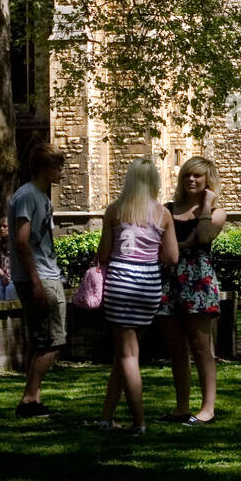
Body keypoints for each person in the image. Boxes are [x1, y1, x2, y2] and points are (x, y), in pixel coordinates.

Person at [93, 158, 179, 433]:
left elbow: (104, 254)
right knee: (124, 352)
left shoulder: (115, 210)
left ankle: (139, 423)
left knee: (128, 355)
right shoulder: (163, 214)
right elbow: (172, 257)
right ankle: (106, 417)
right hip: (149, 284)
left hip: (120, 282)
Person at [155, 156, 226, 426]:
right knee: (175, 348)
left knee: (200, 347)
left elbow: (205, 236)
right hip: (168, 279)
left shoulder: (217, 212)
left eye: (197, 176)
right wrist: (183, 244)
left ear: (208, 181)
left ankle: (208, 409)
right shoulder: (167, 209)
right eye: (187, 175)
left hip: (197, 280)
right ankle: (181, 407)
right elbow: (157, 243)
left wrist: (206, 205)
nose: (191, 180)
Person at [9, 142, 69, 418]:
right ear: (44, 168)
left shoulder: (40, 196)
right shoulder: (28, 196)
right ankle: (28, 398)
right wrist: (35, 282)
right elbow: (22, 242)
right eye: (57, 166)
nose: (61, 172)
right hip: (40, 276)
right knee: (53, 341)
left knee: (41, 340)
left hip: (45, 273)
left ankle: (34, 400)